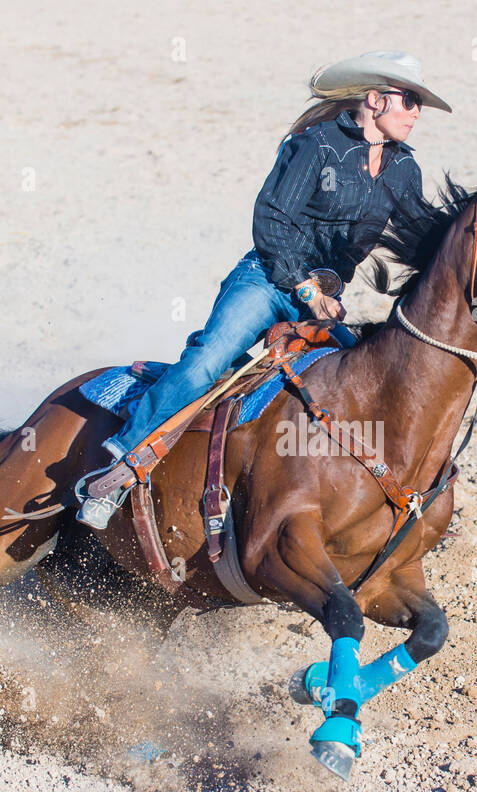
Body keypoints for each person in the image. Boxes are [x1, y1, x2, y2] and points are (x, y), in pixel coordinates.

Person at [77, 51, 452, 529]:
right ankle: (120, 465)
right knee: (211, 360)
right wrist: (307, 290)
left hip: (323, 301)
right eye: (410, 100)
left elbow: (423, 237)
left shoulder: (402, 170)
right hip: (269, 280)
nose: (416, 112)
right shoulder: (314, 144)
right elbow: (271, 222)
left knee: (350, 385)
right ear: (375, 100)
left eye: (419, 103)